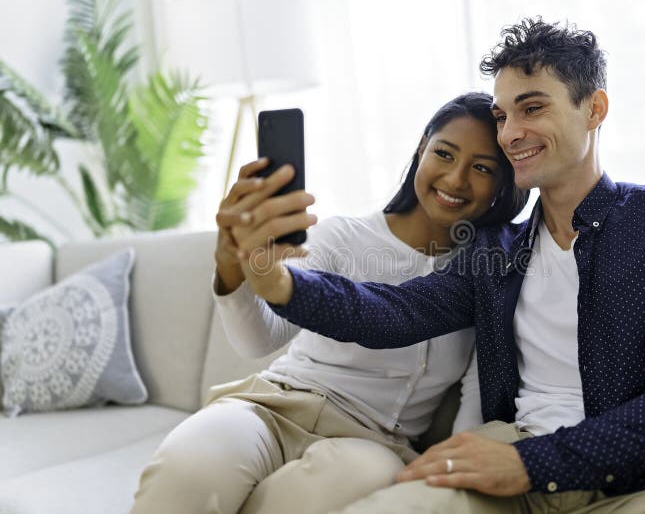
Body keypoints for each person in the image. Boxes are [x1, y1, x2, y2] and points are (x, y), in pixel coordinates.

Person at [220, 17, 645, 513]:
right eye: (501, 115)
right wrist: (278, 279)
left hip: (636, 484)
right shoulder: (495, 250)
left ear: (594, 108)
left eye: (532, 108)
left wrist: (530, 463)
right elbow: (391, 313)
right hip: (503, 471)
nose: (510, 133)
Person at [130, 92, 529, 514]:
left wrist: (456, 466)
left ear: (503, 183)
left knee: (349, 481)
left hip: (372, 442)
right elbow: (259, 340)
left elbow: (474, 388)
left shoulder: (484, 271)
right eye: (444, 154)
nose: (455, 179)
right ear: (421, 148)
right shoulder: (345, 235)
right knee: (191, 468)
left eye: (482, 167)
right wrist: (232, 266)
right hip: (275, 404)